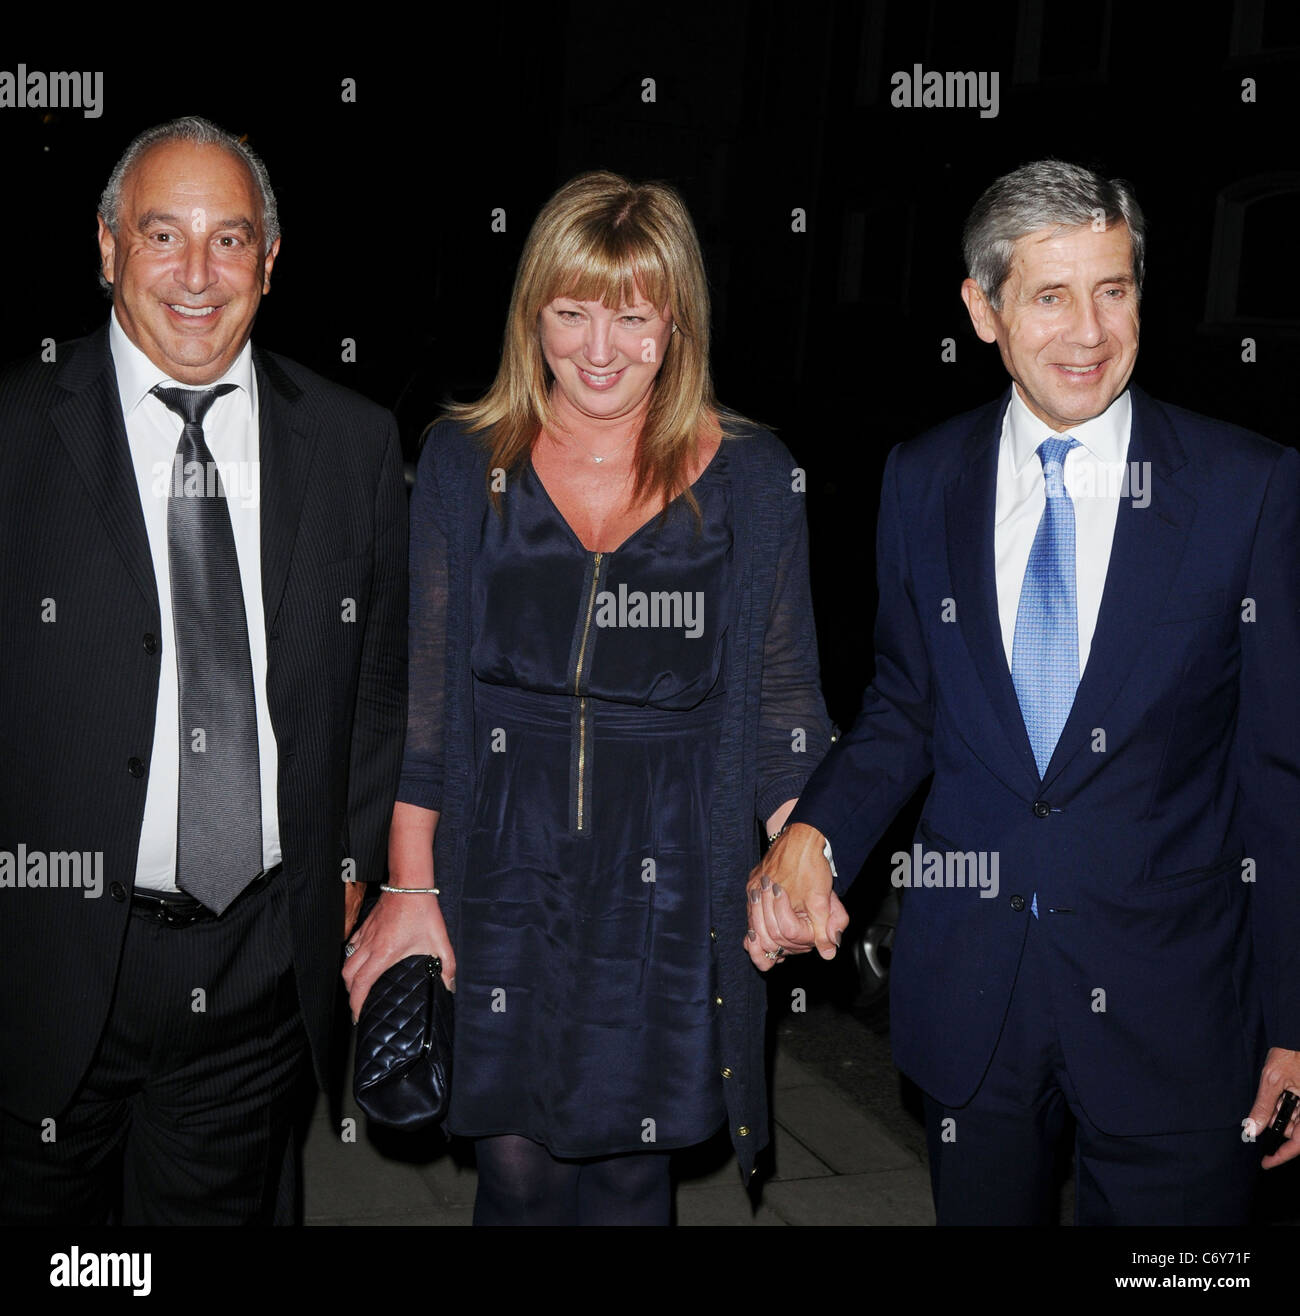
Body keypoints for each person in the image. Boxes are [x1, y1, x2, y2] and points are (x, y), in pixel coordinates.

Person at [753, 159, 1300, 1225]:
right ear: (983, 309)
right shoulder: (924, 476)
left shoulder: (1246, 486)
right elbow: (906, 702)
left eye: (1113, 289)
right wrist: (817, 828)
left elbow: (1279, 770)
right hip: (975, 1000)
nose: (1089, 332)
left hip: (1177, 1014)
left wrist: (1294, 1018)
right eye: (1050, 295)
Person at [342, 170, 842, 1225]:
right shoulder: (462, 462)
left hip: (667, 881)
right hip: (500, 866)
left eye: (633, 316)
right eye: (571, 313)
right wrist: (409, 888)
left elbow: (784, 702)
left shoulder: (755, 478)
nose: (600, 349)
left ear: (677, 321)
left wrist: (797, 852)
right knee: (514, 1174)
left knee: (629, 1175)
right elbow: (425, 702)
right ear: (532, 316)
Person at [0, 116, 408, 1224]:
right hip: (42, 963)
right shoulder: (16, 431)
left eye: (228, 239)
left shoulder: (353, 443)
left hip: (253, 971)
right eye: (161, 234)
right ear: (107, 247)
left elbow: (380, 683)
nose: (196, 274)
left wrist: (353, 864)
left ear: (268, 260)